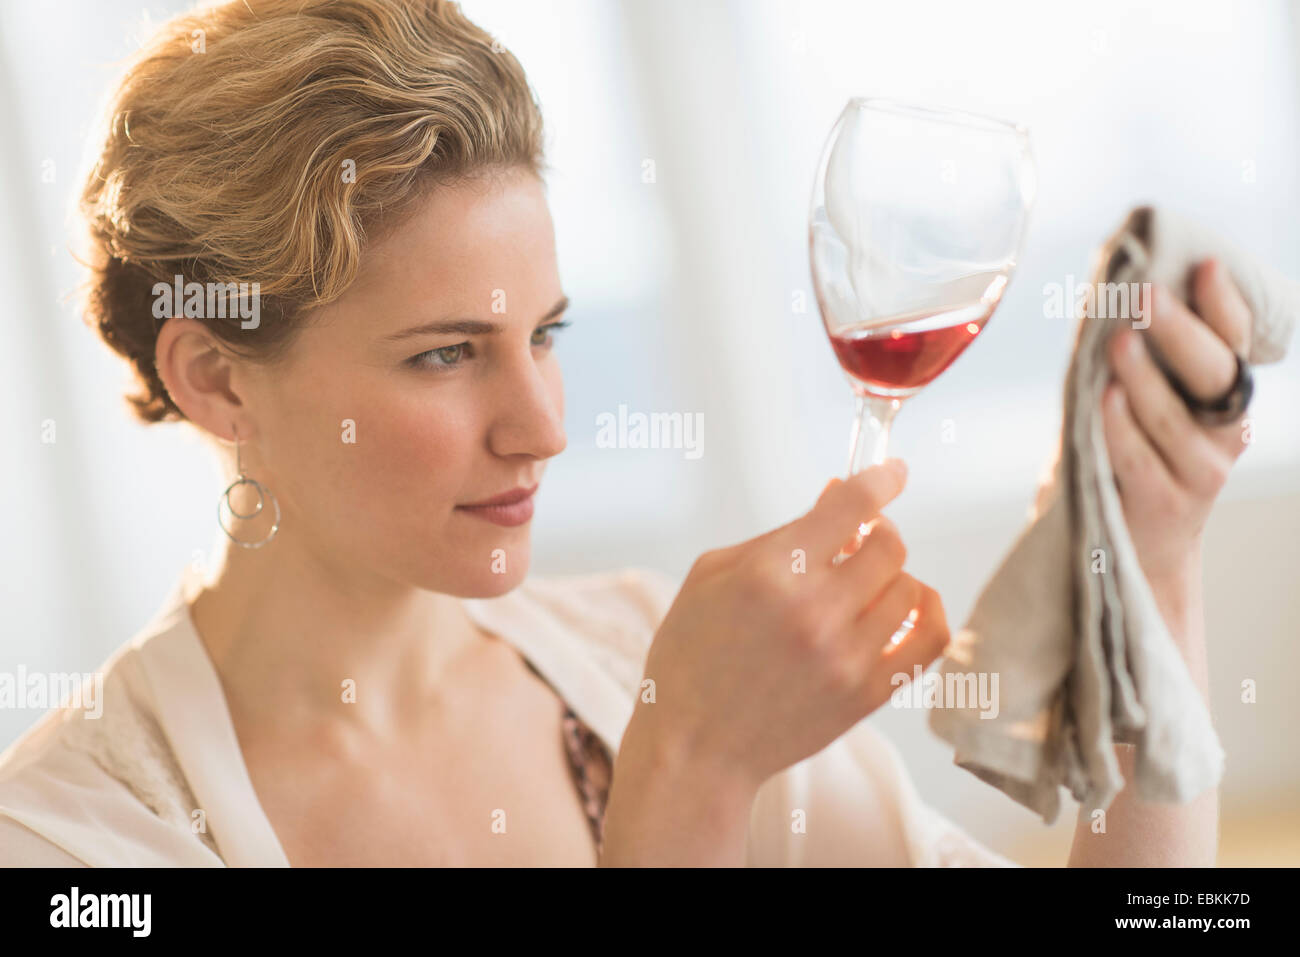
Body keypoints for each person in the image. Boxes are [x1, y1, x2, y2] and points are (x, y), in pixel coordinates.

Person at [0, 0, 1249, 867]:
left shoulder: (637, 650)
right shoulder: (76, 840)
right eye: (444, 355)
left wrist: (1142, 557)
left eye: (544, 334)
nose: (542, 429)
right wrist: (690, 777)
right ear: (217, 378)